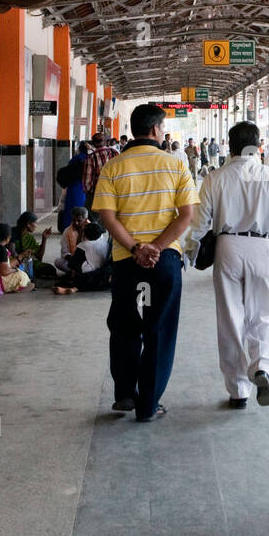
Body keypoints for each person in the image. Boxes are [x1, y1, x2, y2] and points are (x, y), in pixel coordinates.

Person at [92, 103, 198, 423]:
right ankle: (148, 404)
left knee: (125, 326)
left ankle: (125, 393)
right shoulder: (176, 165)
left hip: (127, 261)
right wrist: (157, 247)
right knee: (159, 330)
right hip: (164, 261)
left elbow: (106, 216)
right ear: (155, 130)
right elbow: (187, 216)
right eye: (163, 128)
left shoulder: (114, 166)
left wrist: (137, 248)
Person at [189, 121, 269, 408]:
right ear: (259, 146)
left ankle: (238, 391)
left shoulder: (215, 178)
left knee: (230, 320)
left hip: (228, 247)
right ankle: (262, 367)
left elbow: (200, 223)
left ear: (230, 145)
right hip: (262, 249)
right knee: (263, 314)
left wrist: (188, 254)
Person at [55, 221, 113, 294]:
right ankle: (75, 288)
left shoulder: (83, 246)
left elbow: (73, 264)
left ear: (84, 235)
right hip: (103, 278)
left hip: (88, 278)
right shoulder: (106, 244)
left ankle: (74, 288)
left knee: (71, 276)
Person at [58, 142, 91, 231]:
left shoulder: (75, 159)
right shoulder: (88, 158)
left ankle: (68, 226)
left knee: (70, 207)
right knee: (82, 207)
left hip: (73, 186)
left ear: (79, 149)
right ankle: (81, 225)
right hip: (83, 186)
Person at [83, 133, 119, 212]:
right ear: (106, 142)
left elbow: (87, 181)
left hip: (97, 195)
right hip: (114, 194)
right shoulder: (115, 153)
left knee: (94, 221)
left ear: (94, 143)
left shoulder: (91, 157)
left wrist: (89, 193)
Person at [14, 212, 52, 281]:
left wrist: (44, 239)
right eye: (35, 223)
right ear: (28, 224)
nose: (36, 226)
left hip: (28, 263)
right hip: (15, 263)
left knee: (49, 269)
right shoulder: (14, 234)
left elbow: (39, 257)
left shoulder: (30, 237)